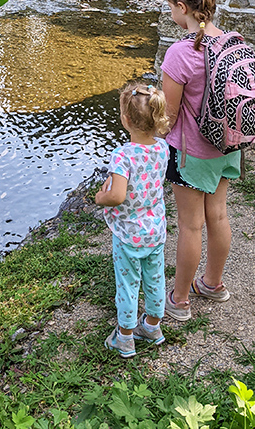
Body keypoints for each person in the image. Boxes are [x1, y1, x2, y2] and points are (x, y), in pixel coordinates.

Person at [161, 0, 242, 322]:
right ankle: (213, 283)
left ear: (183, 7)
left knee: (190, 225)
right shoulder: (230, 41)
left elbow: (170, 112)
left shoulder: (180, 53)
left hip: (192, 151)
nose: (171, 15)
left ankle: (179, 301)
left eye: (171, 8)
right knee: (219, 214)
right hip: (227, 145)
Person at [95, 80, 170, 357]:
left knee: (128, 284)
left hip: (129, 234)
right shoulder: (163, 148)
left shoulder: (122, 155)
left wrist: (99, 198)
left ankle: (125, 336)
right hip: (155, 229)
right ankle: (152, 326)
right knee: (154, 278)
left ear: (126, 120)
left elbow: (117, 196)